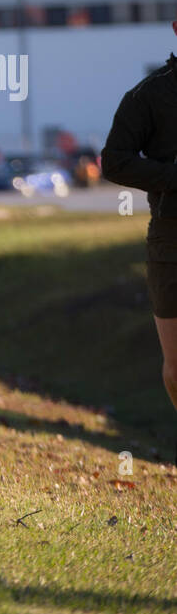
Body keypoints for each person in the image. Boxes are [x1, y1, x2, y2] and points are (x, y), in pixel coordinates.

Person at [101, 24, 177, 441]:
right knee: (176, 370)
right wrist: (172, 177)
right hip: (171, 238)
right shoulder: (148, 96)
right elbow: (113, 161)